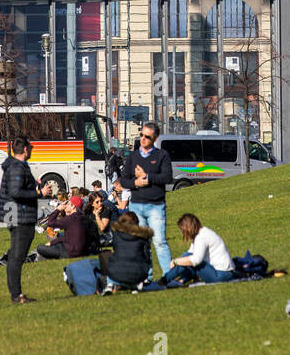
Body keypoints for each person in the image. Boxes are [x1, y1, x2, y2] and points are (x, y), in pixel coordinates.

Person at [0, 136, 45, 304]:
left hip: (17, 215)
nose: (31, 150)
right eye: (30, 148)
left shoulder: (17, 166)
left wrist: (34, 186)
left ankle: (17, 294)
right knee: (17, 257)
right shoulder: (16, 167)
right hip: (20, 216)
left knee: (17, 255)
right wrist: (39, 193)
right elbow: (16, 192)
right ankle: (16, 295)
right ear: (24, 150)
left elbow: (19, 188)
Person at [118, 121, 174, 279]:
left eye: (147, 137)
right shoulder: (133, 156)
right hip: (136, 206)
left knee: (160, 242)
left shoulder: (162, 155)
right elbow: (124, 181)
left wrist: (147, 177)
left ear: (155, 138)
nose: (143, 139)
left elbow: (167, 177)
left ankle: (168, 275)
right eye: (141, 135)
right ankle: (146, 277)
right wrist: (136, 183)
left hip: (156, 206)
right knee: (142, 244)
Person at [162, 213, 235, 285]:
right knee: (187, 258)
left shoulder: (201, 237)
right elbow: (188, 255)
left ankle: (163, 281)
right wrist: (179, 261)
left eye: (183, 231)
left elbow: (196, 260)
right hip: (225, 273)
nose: (183, 234)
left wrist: (175, 261)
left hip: (222, 275)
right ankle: (180, 281)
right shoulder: (202, 233)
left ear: (189, 228)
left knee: (191, 260)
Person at [101, 211, 155, 290]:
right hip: (138, 273)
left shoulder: (116, 235)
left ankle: (110, 284)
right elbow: (147, 257)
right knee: (147, 254)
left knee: (108, 255)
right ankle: (145, 280)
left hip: (115, 273)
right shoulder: (143, 237)